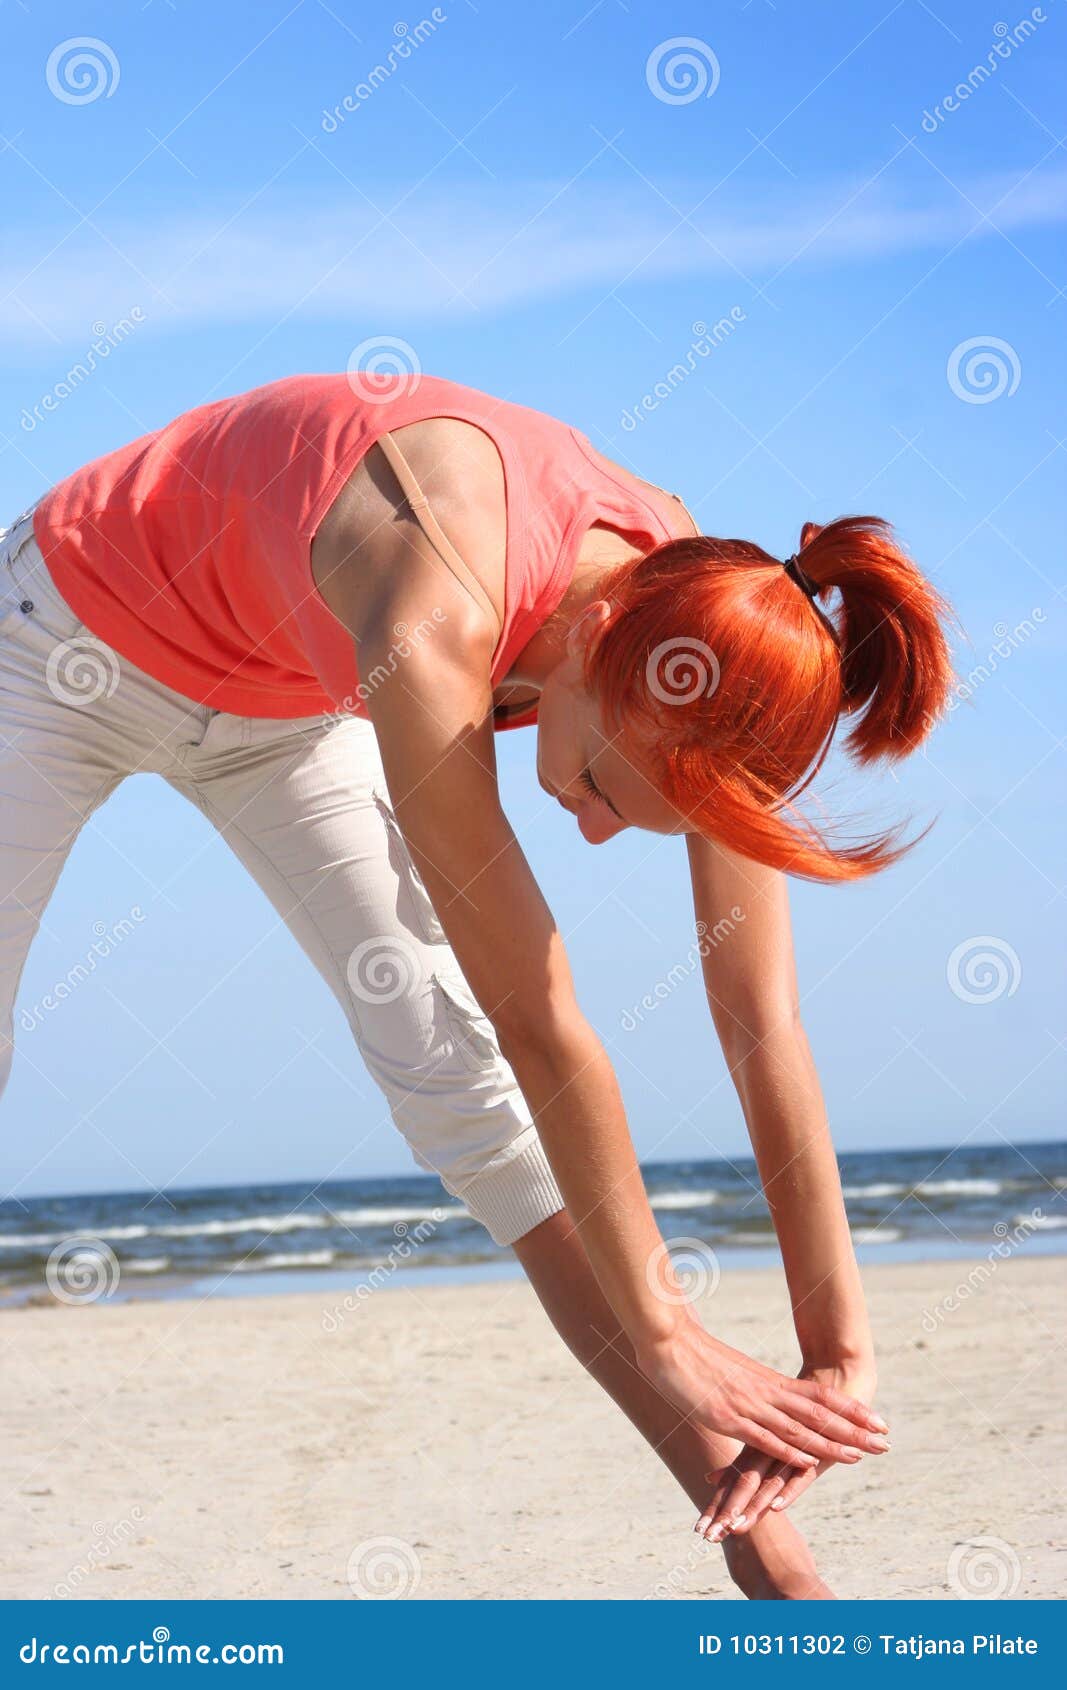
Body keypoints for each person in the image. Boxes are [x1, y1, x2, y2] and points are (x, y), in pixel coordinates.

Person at [0, 371, 952, 1598]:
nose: (596, 835)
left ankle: (776, 1578)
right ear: (602, 640)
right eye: (608, 792)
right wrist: (666, 1331)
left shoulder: (723, 637)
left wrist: (838, 1351)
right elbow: (542, 1019)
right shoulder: (433, 613)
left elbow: (757, 1016)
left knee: (467, 1094)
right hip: (61, 640)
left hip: (288, 706)